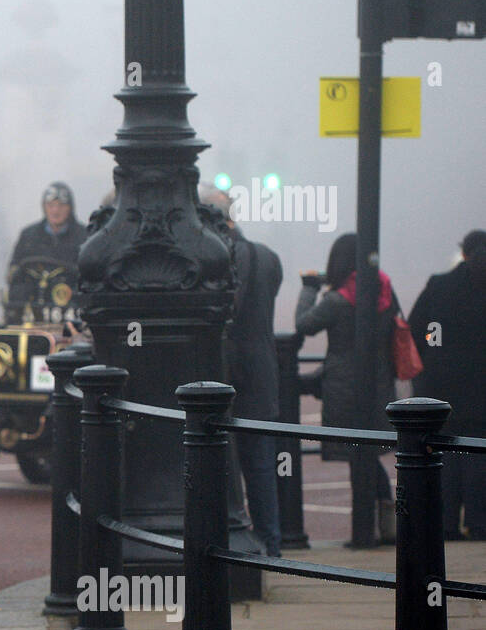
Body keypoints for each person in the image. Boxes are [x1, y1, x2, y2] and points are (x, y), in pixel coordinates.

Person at [295, 232, 402, 545]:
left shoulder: (337, 301)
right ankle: (388, 525)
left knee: (358, 457)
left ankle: (364, 531)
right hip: (379, 384)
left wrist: (308, 289)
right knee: (367, 455)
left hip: (344, 387)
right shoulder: (385, 291)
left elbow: (304, 324)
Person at [202, 183, 284, 556]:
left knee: (219, 464)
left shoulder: (211, 258)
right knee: (262, 466)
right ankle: (271, 544)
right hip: (262, 372)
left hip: (226, 375)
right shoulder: (267, 256)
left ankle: (229, 541)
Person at [408, 230, 486, 540]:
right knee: (479, 452)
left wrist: (434, 347)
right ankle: (480, 523)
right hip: (481, 385)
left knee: (446, 452)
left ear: (463, 253)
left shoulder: (439, 284)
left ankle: (447, 523)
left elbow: (418, 329)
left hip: (441, 383)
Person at [7, 180, 86, 308]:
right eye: (51, 205)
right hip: (31, 306)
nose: (55, 210)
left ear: (70, 208)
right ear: (44, 207)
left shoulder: (84, 237)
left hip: (69, 306)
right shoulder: (28, 236)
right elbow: (13, 269)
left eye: (61, 205)